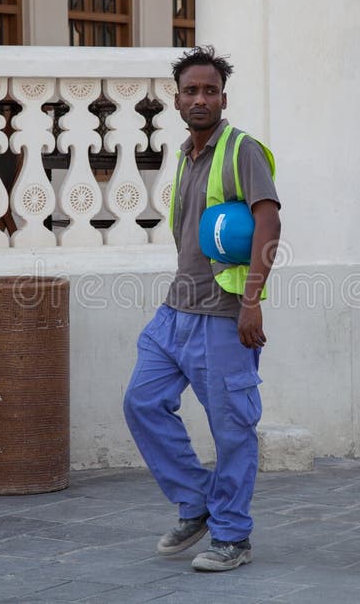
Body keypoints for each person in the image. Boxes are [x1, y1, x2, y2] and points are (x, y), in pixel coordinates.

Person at [123, 45, 281, 573]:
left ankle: (232, 536)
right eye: (190, 90)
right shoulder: (186, 155)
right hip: (175, 311)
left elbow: (269, 222)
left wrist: (251, 302)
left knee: (232, 429)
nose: (200, 99)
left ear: (223, 98)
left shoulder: (242, 151)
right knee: (142, 402)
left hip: (222, 316)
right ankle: (196, 502)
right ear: (176, 100)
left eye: (210, 91)